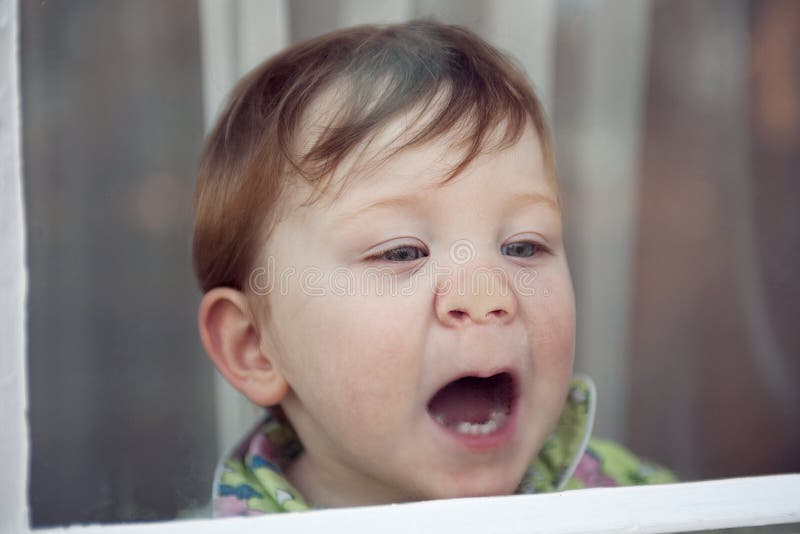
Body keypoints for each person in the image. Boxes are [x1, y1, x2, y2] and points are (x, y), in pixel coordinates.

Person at [193, 20, 675, 517]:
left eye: (523, 246)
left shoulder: (639, 505)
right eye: (401, 252)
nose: (487, 295)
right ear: (254, 346)